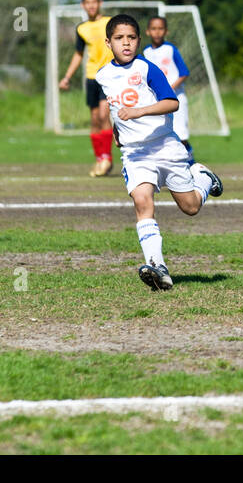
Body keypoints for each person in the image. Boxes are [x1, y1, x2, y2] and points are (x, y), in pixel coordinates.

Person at [95, 15, 223, 291]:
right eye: (119, 38)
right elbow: (116, 108)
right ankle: (157, 266)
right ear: (108, 43)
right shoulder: (102, 75)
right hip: (135, 153)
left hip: (165, 145)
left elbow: (171, 102)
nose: (126, 43)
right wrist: (118, 132)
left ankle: (203, 178)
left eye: (131, 37)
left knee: (190, 207)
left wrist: (139, 111)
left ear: (139, 41)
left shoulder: (147, 69)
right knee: (142, 201)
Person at [58, 0, 114, 177]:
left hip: (109, 76)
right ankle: (99, 159)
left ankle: (106, 158)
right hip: (92, 77)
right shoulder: (81, 28)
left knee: (105, 114)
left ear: (100, 3)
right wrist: (67, 77)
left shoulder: (110, 23)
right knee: (95, 118)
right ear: (83, 5)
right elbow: (78, 54)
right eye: (87, 2)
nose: (91, 5)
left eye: (94, 2)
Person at [142, 15, 194, 161]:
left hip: (176, 99)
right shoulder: (146, 52)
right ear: (147, 31)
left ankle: (190, 161)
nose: (157, 32)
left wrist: (169, 89)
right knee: (161, 135)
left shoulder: (170, 49)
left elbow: (184, 73)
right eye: (153, 29)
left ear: (166, 32)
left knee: (181, 135)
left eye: (160, 29)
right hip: (158, 103)